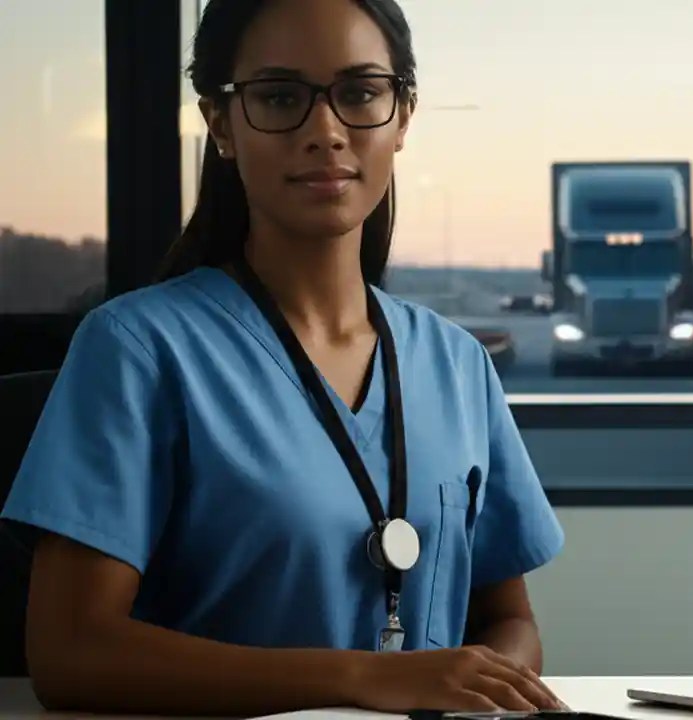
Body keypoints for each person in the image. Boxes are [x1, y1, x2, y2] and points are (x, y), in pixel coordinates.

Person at [0, 0, 568, 715]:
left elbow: (508, 622)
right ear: (220, 124)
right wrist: (363, 678)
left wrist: (484, 685)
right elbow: (70, 652)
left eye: (361, 93)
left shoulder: (457, 364)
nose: (325, 131)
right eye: (278, 98)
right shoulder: (136, 349)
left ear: (402, 117)